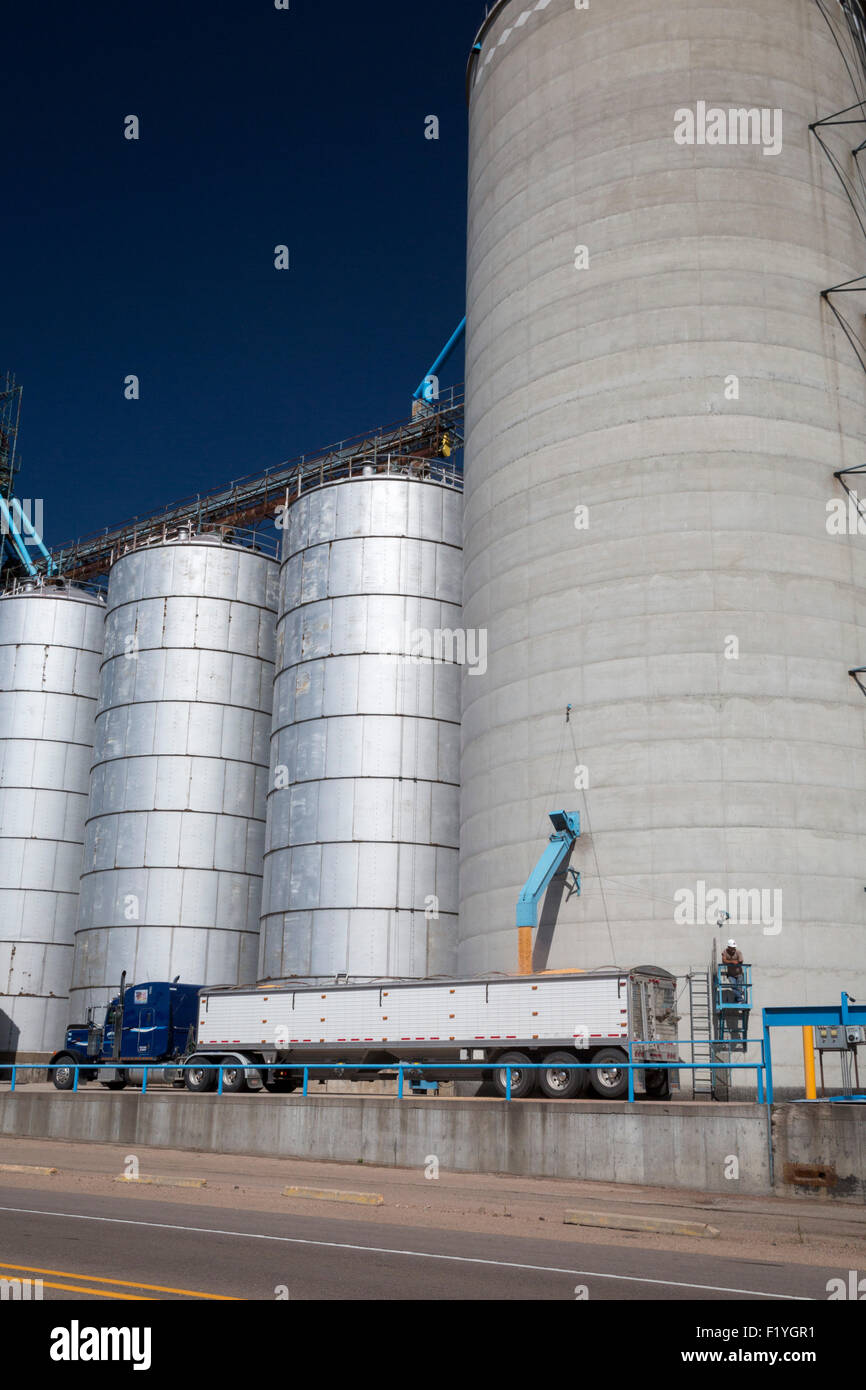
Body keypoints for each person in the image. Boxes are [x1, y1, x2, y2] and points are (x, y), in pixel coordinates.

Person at [721, 939, 745, 1004]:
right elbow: (724, 961)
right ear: (728, 947)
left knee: (738, 988)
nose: (734, 949)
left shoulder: (738, 952)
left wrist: (734, 962)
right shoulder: (725, 952)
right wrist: (732, 961)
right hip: (731, 974)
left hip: (739, 974)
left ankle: (738, 999)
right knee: (734, 987)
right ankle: (741, 999)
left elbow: (740, 961)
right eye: (732, 948)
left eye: (734, 947)